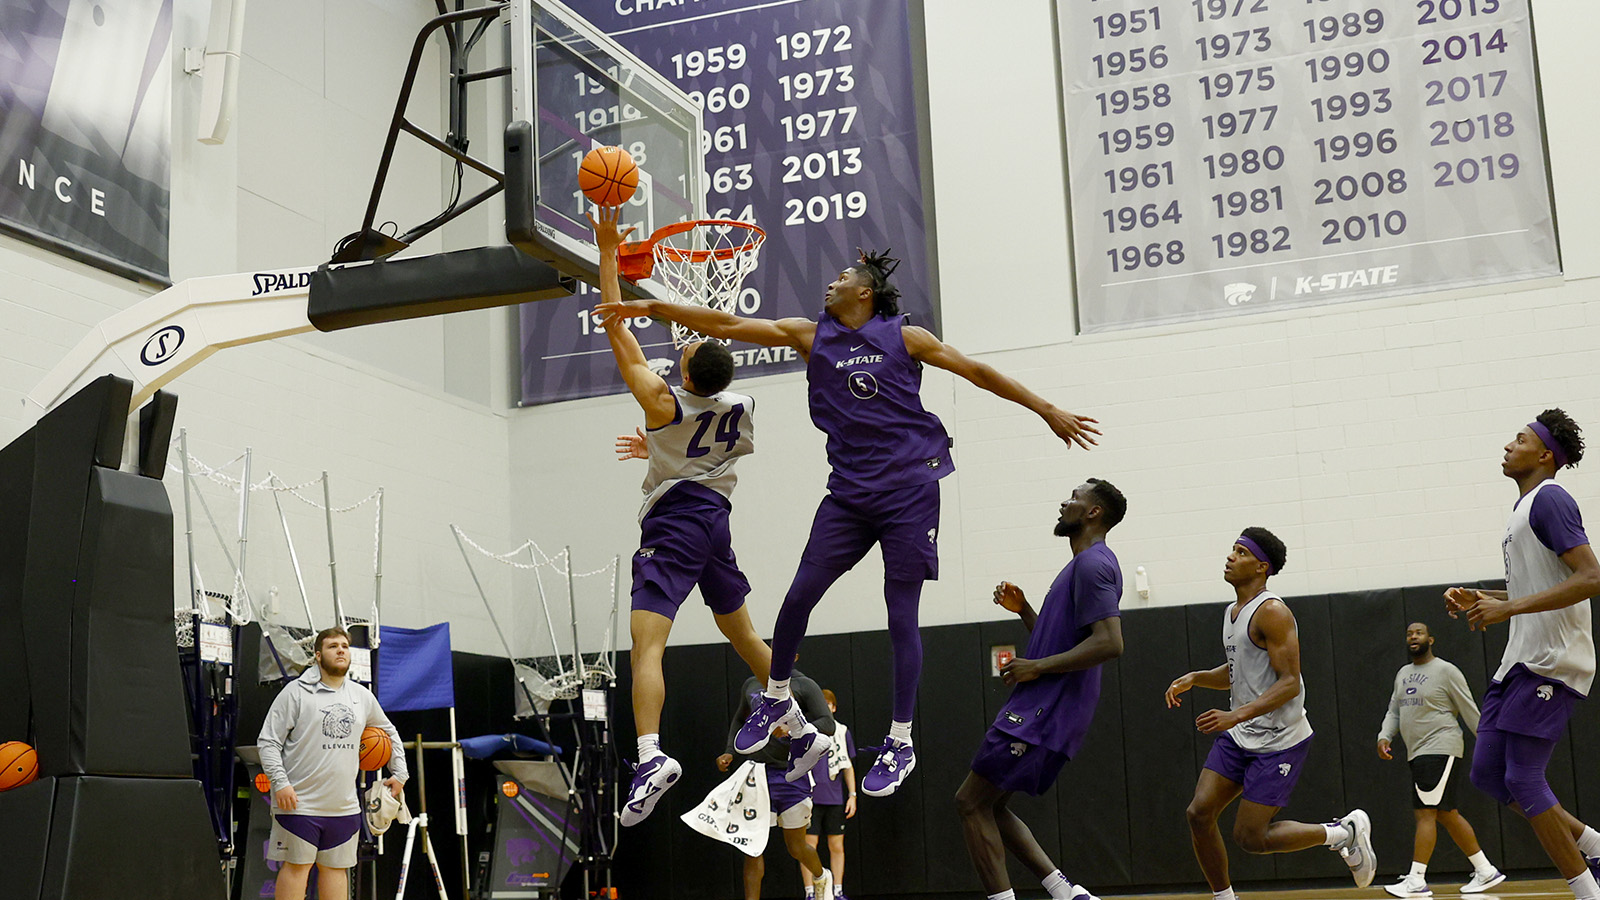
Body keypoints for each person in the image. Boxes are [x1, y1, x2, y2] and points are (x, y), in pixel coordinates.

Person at [597, 249, 1100, 797]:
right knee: (797, 597)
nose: (830, 283)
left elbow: (977, 371)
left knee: (900, 614)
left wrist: (1045, 408)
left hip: (909, 489)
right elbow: (728, 323)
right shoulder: (811, 336)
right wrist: (652, 304)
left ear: (864, 291)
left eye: (842, 278)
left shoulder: (908, 338)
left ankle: (900, 739)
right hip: (850, 494)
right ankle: (776, 698)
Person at [588, 207, 781, 826]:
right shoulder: (741, 401)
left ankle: (650, 755)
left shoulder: (661, 399)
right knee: (741, 633)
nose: (689, 337)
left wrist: (608, 252)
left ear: (689, 372)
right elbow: (706, 443)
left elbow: (618, 333)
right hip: (715, 518)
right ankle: (795, 718)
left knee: (649, 643)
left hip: (674, 520)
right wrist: (660, 447)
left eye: (692, 343)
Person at [1166, 528, 1376, 898]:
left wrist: (1234, 715)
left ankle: (1342, 833)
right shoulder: (1232, 613)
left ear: (1261, 566)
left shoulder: (1274, 612)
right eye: (1231, 549)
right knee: (1198, 814)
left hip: (1280, 739)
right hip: (1242, 733)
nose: (1231, 556)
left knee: (1252, 838)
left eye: (1241, 552)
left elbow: (1289, 682)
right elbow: (1239, 672)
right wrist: (1197, 678)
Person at [1445, 410, 1600, 900]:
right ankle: (1594, 845)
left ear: (1545, 455)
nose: (1509, 445)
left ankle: (1587, 891)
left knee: (1523, 777)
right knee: (1489, 774)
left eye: (1521, 439)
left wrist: (1510, 606)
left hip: (1554, 661)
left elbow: (1591, 577)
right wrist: (1487, 599)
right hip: (1521, 660)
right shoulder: (1523, 509)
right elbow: (1541, 587)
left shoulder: (1550, 499)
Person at [956, 480, 1128, 900]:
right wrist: (1027, 611)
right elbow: (1067, 642)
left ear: (1093, 513)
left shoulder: (1092, 565)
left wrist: (1036, 667)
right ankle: (1065, 892)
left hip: (1045, 710)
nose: (1063, 502)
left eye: (1074, 498)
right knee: (991, 804)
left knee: (970, 802)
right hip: (1047, 708)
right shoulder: (1081, 566)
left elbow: (1110, 643)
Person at [258, 627, 407, 900]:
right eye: (332, 646)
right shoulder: (296, 692)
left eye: (344, 646)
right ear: (317, 655)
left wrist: (400, 772)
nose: (341, 650)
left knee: (336, 870)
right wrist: (280, 783)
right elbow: (267, 741)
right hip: (299, 804)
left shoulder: (361, 696)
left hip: (343, 806)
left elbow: (389, 733)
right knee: (297, 868)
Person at [1376, 622, 1504, 896]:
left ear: (1430, 639)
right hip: (1417, 752)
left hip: (1440, 747)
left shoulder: (1446, 671)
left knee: (1425, 813)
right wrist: (1384, 737)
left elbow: (1469, 709)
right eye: (1409, 633)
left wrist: (1489, 746)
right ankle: (1485, 870)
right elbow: (1394, 711)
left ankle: (1417, 880)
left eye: (1419, 633)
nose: (1413, 637)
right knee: (1446, 813)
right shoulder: (1403, 673)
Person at [719, 669, 837, 900]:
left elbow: (828, 724)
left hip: (793, 773)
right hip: (758, 774)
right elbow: (740, 719)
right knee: (752, 848)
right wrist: (730, 751)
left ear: (794, 655)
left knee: (796, 847)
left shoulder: (804, 684)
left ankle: (821, 875)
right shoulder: (752, 684)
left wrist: (795, 729)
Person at [799, 688, 856, 900]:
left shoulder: (841, 731)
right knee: (808, 846)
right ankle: (811, 892)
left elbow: (847, 765)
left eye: (829, 704)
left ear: (834, 707)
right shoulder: (806, 730)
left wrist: (852, 795)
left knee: (836, 845)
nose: (826, 708)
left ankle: (838, 890)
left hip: (835, 798)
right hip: (810, 799)